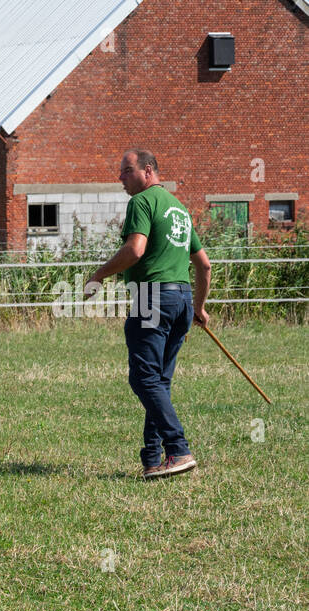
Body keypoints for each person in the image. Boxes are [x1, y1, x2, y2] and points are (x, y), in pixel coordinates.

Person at [87, 149, 211, 480]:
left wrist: (98, 275)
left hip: (151, 298)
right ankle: (153, 459)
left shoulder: (142, 203)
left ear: (148, 171)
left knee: (143, 378)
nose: (121, 178)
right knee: (158, 381)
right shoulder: (180, 209)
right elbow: (204, 265)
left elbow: (135, 250)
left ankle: (178, 449)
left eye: (127, 171)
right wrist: (197, 306)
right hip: (181, 299)